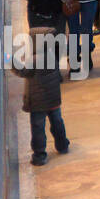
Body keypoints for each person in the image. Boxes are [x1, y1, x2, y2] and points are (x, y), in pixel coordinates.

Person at [14, 27, 70, 167]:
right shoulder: (51, 56)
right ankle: (62, 145)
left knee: (38, 127)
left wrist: (10, 61)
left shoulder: (34, 60)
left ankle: (39, 155)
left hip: (38, 103)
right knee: (57, 122)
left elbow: (23, 72)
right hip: (53, 99)